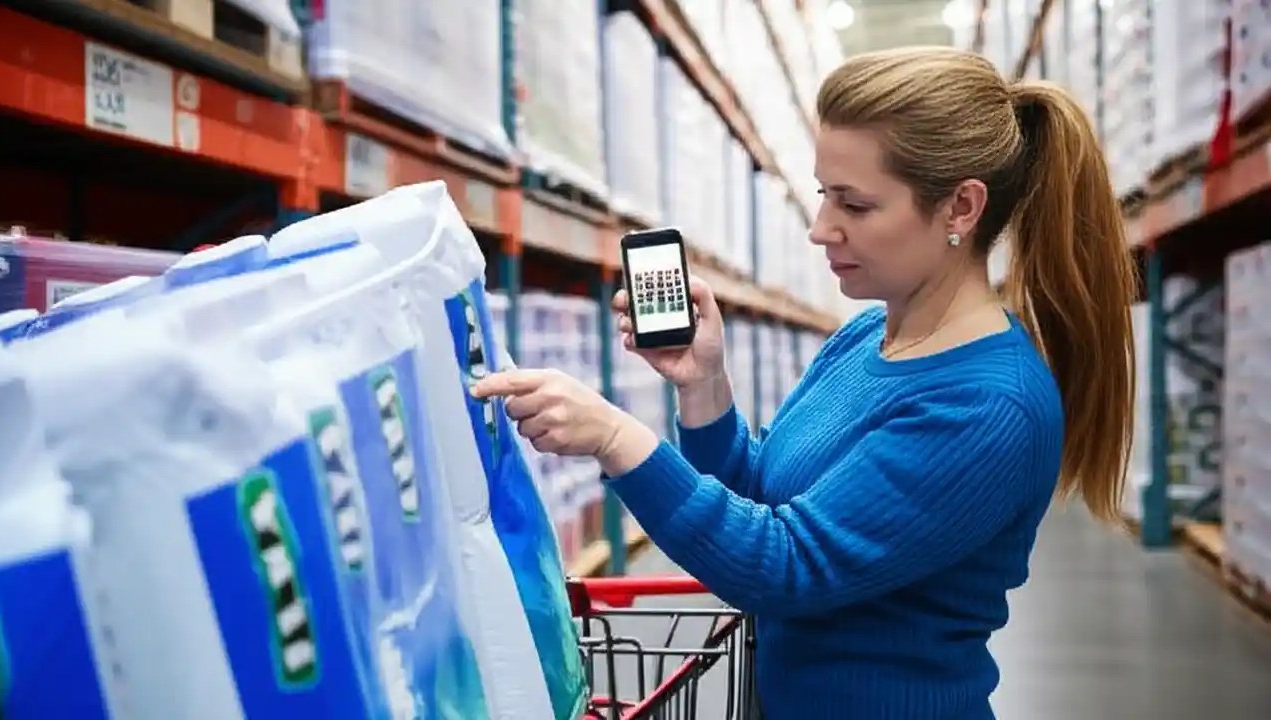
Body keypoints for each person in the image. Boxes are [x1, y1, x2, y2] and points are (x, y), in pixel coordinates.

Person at [473, 46, 1136, 719]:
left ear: (960, 208)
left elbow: (786, 564)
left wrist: (618, 440)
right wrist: (704, 388)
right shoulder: (865, 336)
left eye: (855, 204)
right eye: (824, 195)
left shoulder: (989, 406)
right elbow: (763, 499)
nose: (821, 230)